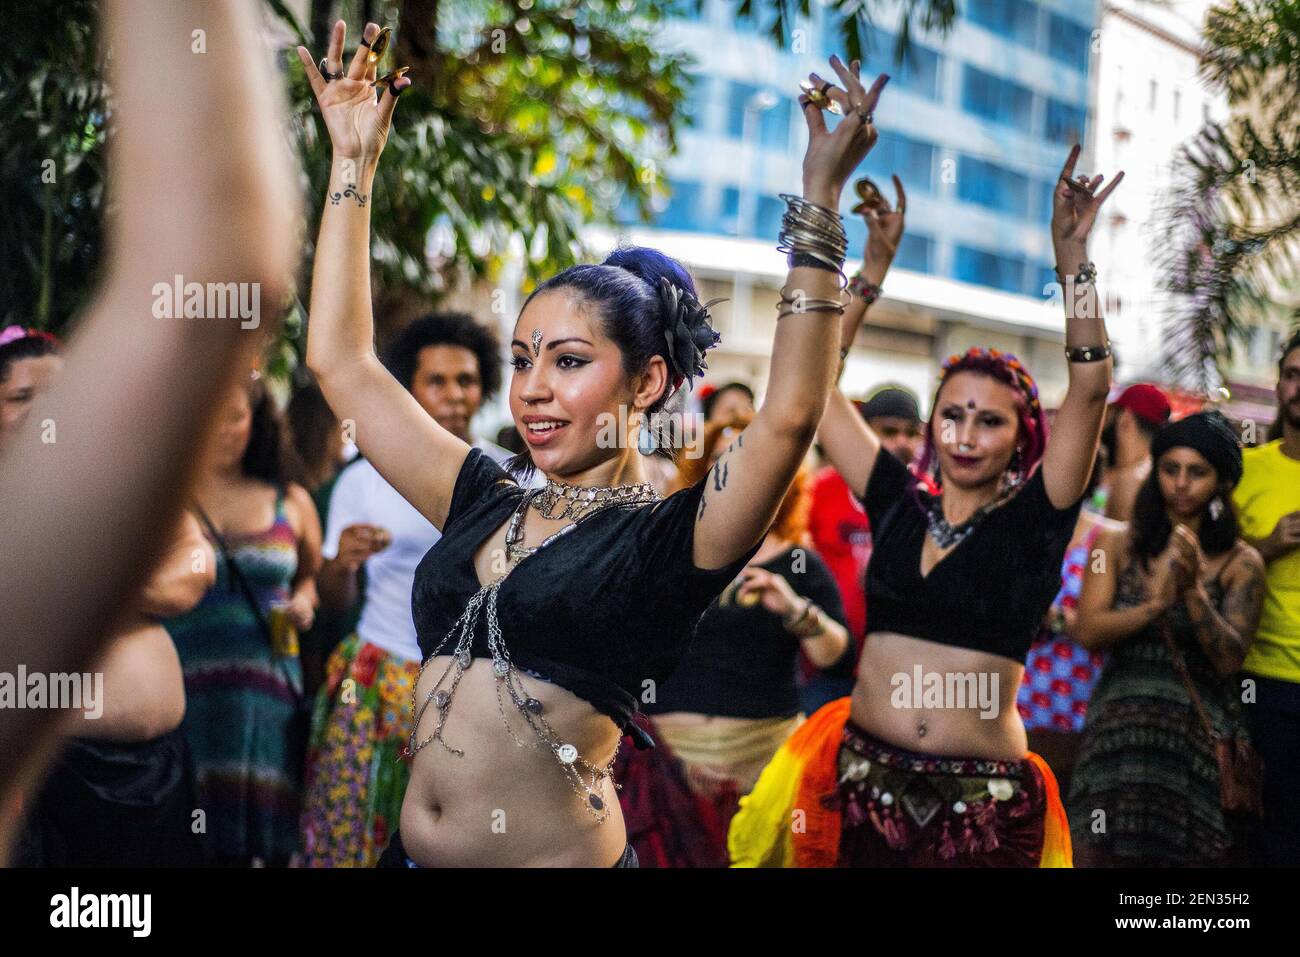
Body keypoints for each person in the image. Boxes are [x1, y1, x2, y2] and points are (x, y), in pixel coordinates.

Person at [298, 19, 884, 866]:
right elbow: (341, 363)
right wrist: (352, 165)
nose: (532, 386)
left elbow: (792, 413)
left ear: (645, 382)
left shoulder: (669, 538)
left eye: (569, 361)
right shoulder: (480, 492)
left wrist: (820, 205)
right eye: (524, 359)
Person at [731, 143, 1121, 867]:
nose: (965, 434)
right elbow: (815, 389)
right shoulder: (897, 501)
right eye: (952, 415)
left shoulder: (1039, 517)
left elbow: (1092, 388)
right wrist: (870, 274)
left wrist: (1073, 261)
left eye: (989, 419)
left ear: (1022, 437)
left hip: (986, 810)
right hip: (859, 788)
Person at [0, 0, 298, 864]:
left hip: (147, 783)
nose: (50, 412)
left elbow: (188, 570)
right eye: (27, 398)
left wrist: (81, 579)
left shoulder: (90, 491)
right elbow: (213, 272)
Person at [300, 311, 524, 868]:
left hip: (476, 692)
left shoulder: (515, 478)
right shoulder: (363, 478)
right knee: (355, 836)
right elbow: (334, 603)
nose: (454, 394)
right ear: (408, 389)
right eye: (437, 381)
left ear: (486, 387)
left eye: (466, 380)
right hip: (379, 684)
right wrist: (343, 565)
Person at [617, 414, 850, 867]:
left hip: (764, 760)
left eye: (753, 460)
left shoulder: (798, 563)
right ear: (705, 469)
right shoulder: (667, 549)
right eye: (723, 461)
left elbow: (836, 657)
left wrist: (795, 610)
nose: (737, 473)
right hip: (669, 763)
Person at [1069, 412, 1265, 866]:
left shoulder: (1242, 562)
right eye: (1169, 468)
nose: (1180, 483)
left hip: (1191, 735)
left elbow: (1230, 660)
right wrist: (1153, 606)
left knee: (1180, 854)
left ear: (1222, 483)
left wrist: (1192, 588)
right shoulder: (1117, 544)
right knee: (1095, 848)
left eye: (1198, 472)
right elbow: (1088, 630)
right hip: (1119, 725)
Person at [166, 376, 322, 866]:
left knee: (262, 833)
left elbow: (311, 576)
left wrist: (304, 600)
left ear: (256, 422)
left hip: (265, 696)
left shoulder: (289, 500)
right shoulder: (161, 500)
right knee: (187, 825)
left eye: (235, 416)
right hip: (184, 691)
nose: (224, 429)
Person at [15, 512, 214, 867]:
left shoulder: (127, 479)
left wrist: (102, 586)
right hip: (47, 771)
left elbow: (197, 565)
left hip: (162, 769)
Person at [806, 384, 921, 711]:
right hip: (826, 666)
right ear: (861, 430)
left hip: (894, 673)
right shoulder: (819, 490)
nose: (902, 442)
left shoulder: (927, 499)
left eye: (912, 433)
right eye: (889, 431)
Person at [1234, 329, 1300, 864]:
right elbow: (1214, 566)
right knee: (1266, 833)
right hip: (1265, 682)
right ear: (1278, 385)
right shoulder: (1248, 469)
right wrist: (1267, 545)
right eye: (1293, 374)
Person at [1100, 383, 1172, 523]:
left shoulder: (1130, 481)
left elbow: (1114, 544)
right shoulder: (1154, 472)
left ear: (1125, 418)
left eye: (1109, 415)